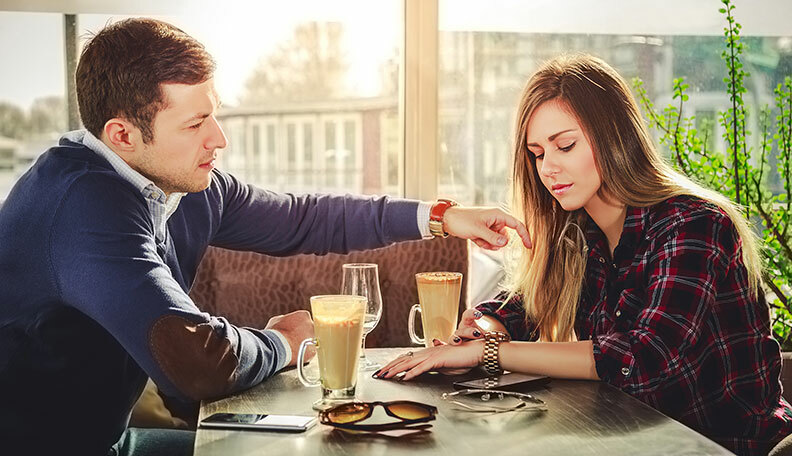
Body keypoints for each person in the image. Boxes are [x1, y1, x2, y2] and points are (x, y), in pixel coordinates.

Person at [0, 18, 531, 456]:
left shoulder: (177, 184)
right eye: (195, 124)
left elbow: (305, 218)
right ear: (122, 135)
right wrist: (285, 342)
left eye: (216, 115)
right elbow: (196, 362)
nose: (219, 139)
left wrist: (442, 216)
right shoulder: (82, 204)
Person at [377, 54, 792, 455]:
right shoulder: (579, 232)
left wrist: (489, 352)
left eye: (565, 145)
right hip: (634, 440)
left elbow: (642, 361)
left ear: (615, 136)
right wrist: (487, 324)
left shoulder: (695, 224)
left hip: (728, 447)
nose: (548, 168)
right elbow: (524, 306)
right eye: (538, 153)